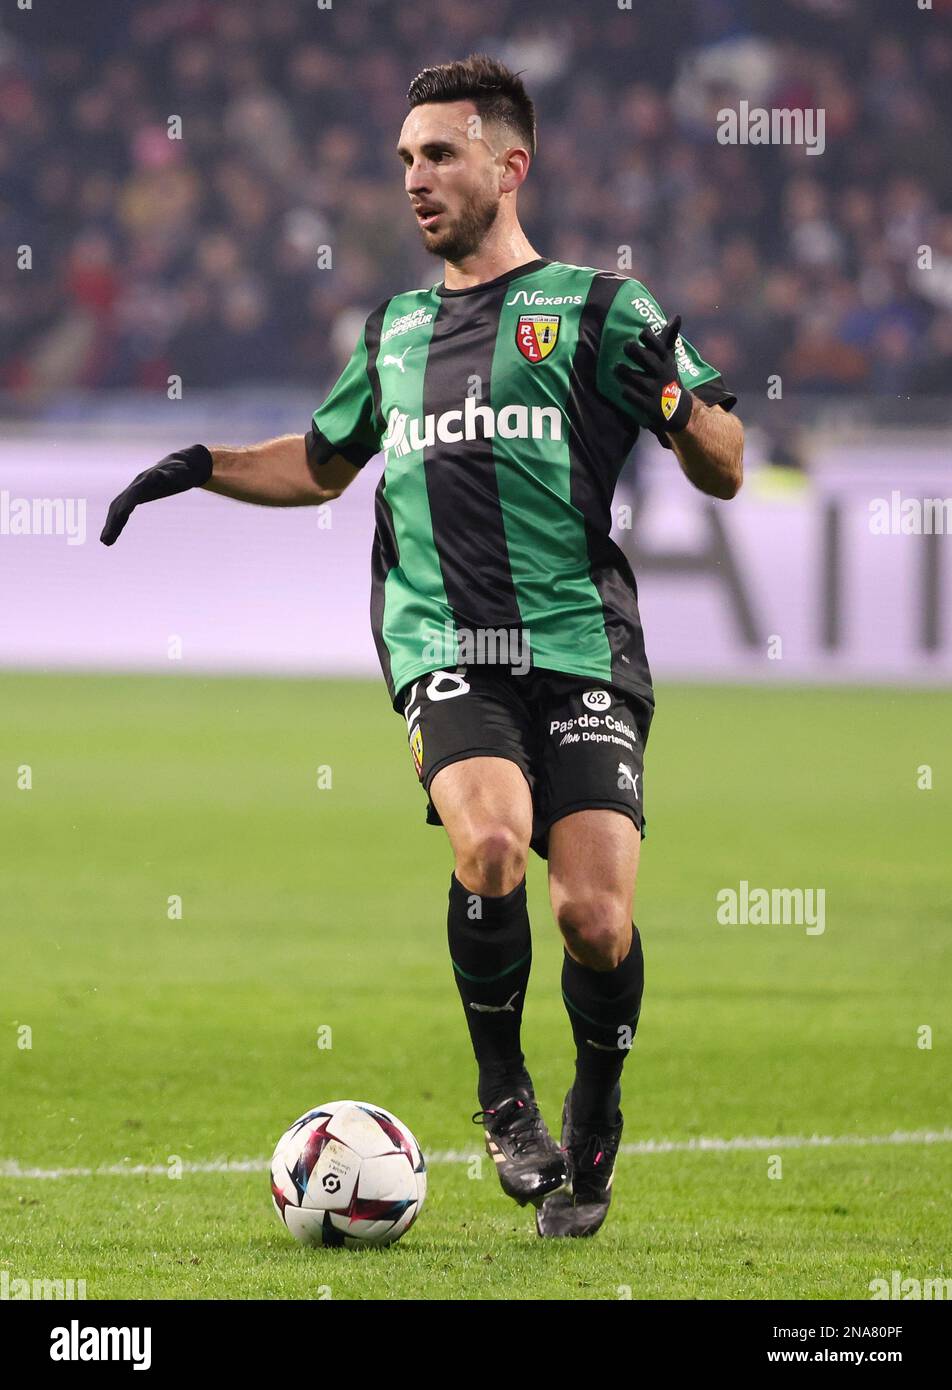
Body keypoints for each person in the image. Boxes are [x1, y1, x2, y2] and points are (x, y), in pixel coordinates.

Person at [101, 54, 743, 1238]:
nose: (415, 179)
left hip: (581, 641)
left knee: (594, 920)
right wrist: (202, 467)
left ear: (510, 164)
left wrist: (675, 406)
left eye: (438, 154)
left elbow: (727, 465)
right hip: (441, 635)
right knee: (492, 843)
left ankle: (592, 1108)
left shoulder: (604, 309)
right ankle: (504, 1096)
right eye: (403, 159)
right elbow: (322, 460)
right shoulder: (393, 328)